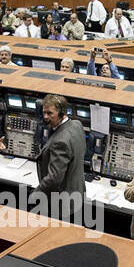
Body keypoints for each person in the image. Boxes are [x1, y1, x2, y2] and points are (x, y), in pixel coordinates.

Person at [34, 92, 86, 224]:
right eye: (44, 112)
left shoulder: (60, 141)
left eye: (50, 113)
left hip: (62, 202)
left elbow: (54, 178)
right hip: (77, 192)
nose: (45, 117)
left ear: (62, 113)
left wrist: (36, 192)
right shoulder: (77, 125)